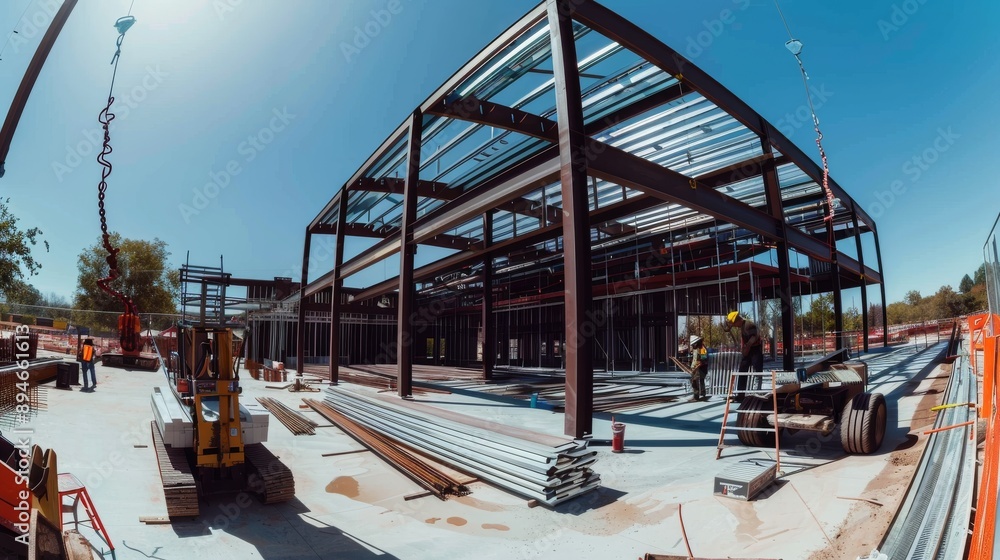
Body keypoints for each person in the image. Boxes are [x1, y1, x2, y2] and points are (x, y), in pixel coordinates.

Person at [726, 311, 762, 401]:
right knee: (742, 371)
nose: (734, 326)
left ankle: (757, 394)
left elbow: (754, 337)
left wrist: (747, 348)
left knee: (757, 371)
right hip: (749, 349)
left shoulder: (749, 325)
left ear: (738, 320)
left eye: (734, 324)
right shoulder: (743, 326)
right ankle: (741, 394)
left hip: (755, 349)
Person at [689, 335, 709, 401]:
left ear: (696, 343)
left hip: (701, 368)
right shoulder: (696, 349)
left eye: (693, 344)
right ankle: (700, 395)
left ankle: (697, 396)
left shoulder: (702, 349)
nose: (692, 346)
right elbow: (695, 358)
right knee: (695, 381)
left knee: (697, 381)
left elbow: (703, 359)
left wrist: (697, 366)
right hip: (696, 368)